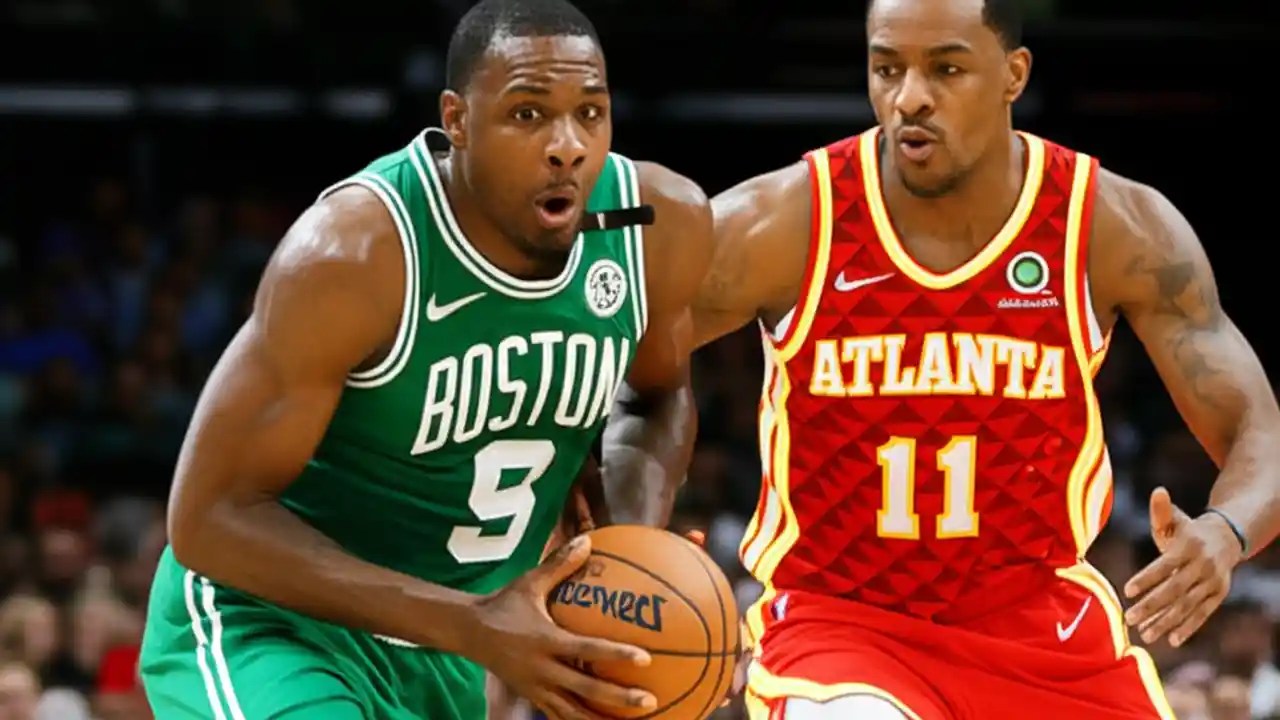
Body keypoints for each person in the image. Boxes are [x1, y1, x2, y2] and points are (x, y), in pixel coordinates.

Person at [692, 0, 1280, 717]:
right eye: (887, 69)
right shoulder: (784, 221)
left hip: (1045, 631)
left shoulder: (1112, 228)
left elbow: (1260, 428)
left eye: (945, 68)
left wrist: (1225, 532)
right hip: (841, 626)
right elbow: (611, 355)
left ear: (1013, 74)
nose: (909, 96)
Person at [138, 0, 712, 718]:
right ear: (458, 119)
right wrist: (472, 623)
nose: (567, 145)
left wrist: (628, 549)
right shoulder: (357, 252)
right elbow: (206, 517)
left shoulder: (657, 225)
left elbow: (658, 395)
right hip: (269, 627)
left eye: (589, 114)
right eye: (528, 115)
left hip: (441, 654)